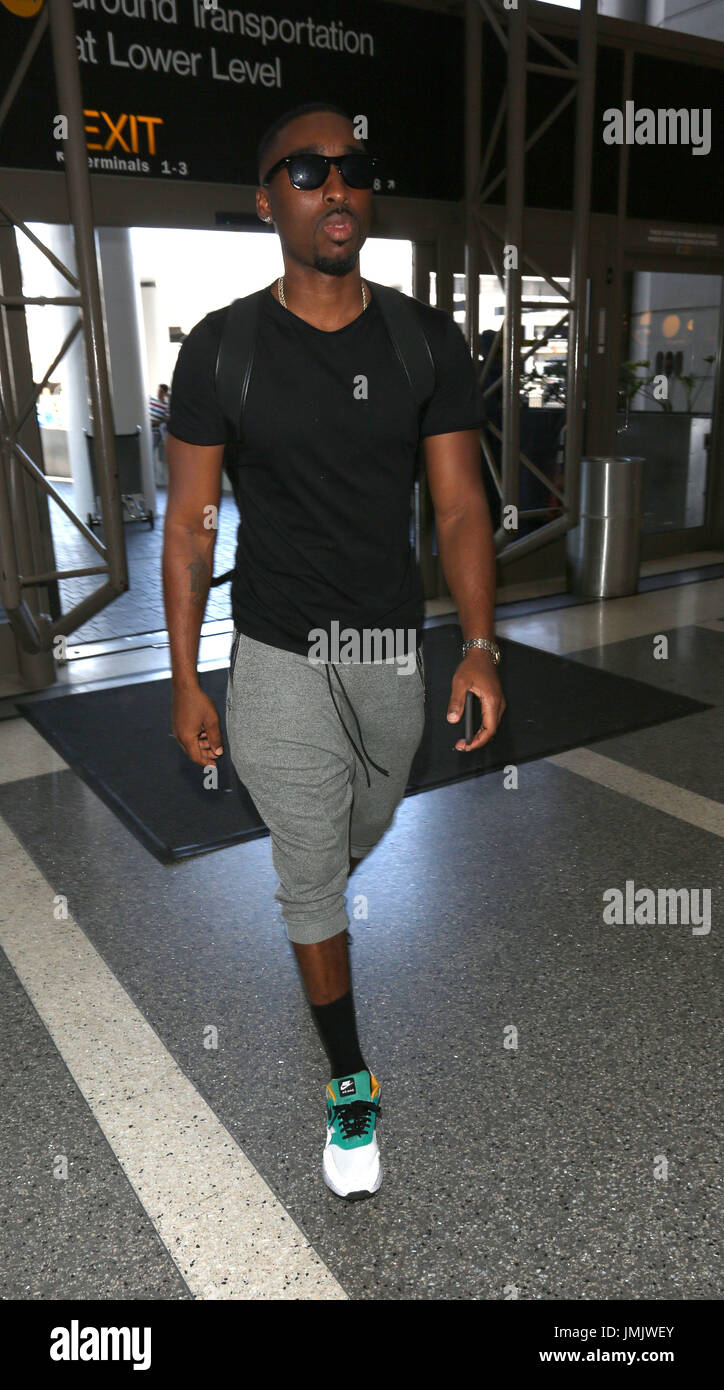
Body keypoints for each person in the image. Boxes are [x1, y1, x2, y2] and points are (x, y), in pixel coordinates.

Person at [162, 102, 505, 1201]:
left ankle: (315, 897)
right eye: (305, 171)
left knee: (369, 814)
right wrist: (183, 674)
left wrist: (481, 644)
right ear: (267, 201)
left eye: (352, 169)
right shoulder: (223, 347)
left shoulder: (421, 341)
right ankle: (349, 1083)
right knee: (310, 863)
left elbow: (458, 510)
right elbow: (188, 523)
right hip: (273, 652)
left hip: (386, 650)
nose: (334, 187)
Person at [149, 383, 169, 484]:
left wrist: (156, 422)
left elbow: (166, 419)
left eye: (161, 391)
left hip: (156, 432)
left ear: (165, 393)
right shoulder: (151, 399)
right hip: (147, 429)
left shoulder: (166, 405)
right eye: (158, 390)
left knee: (150, 452)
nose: (158, 392)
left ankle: (153, 478)